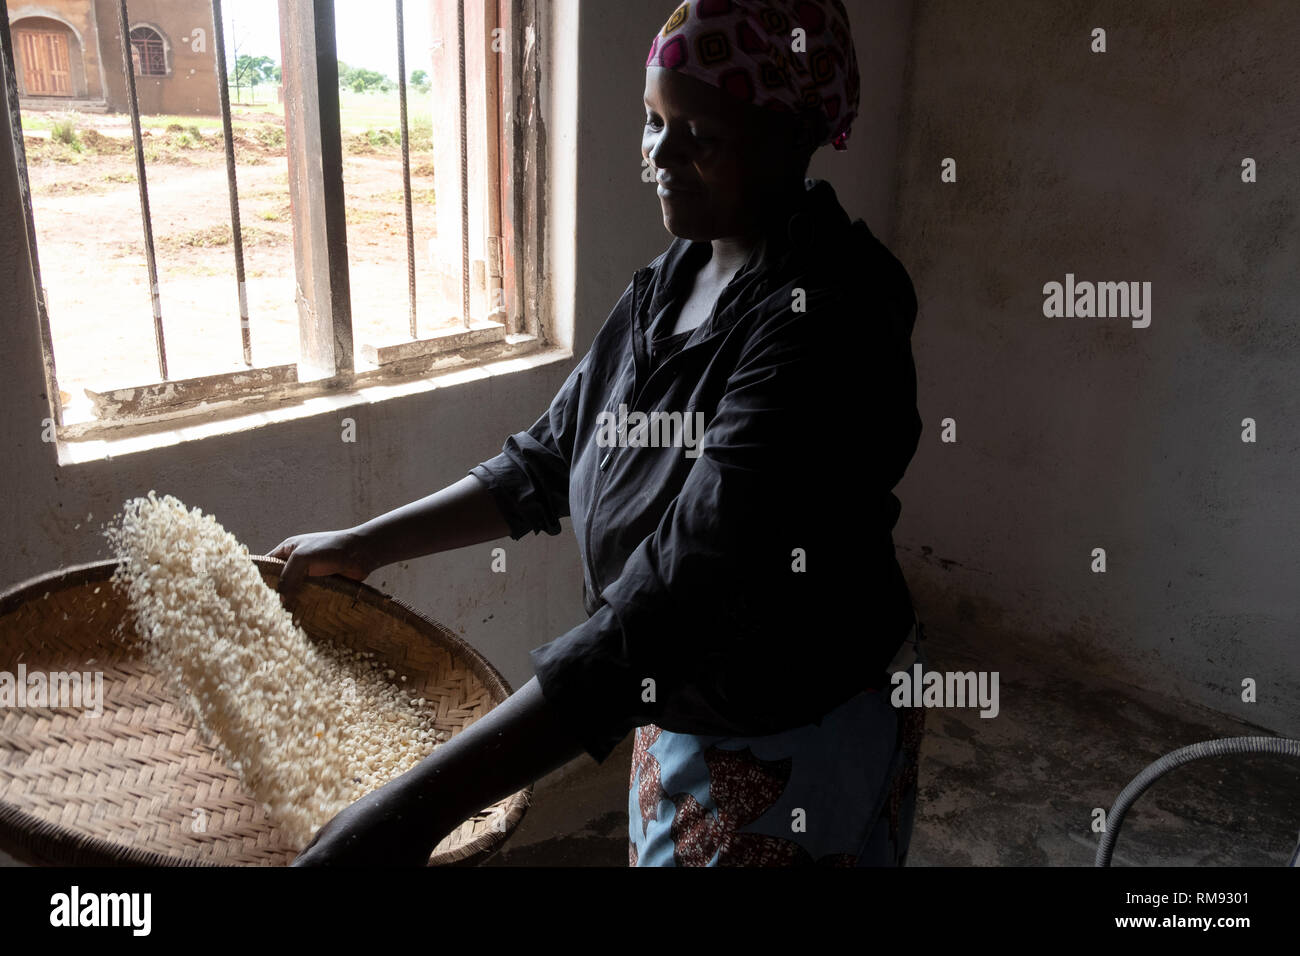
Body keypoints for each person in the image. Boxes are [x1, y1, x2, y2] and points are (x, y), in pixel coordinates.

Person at [272, 0, 925, 867]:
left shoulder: (828, 318)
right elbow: (546, 459)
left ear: (791, 132)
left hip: (786, 729)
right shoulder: (678, 273)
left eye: (700, 134)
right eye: (653, 122)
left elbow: (680, 592)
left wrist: (407, 812)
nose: (660, 156)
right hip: (670, 697)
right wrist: (365, 543)